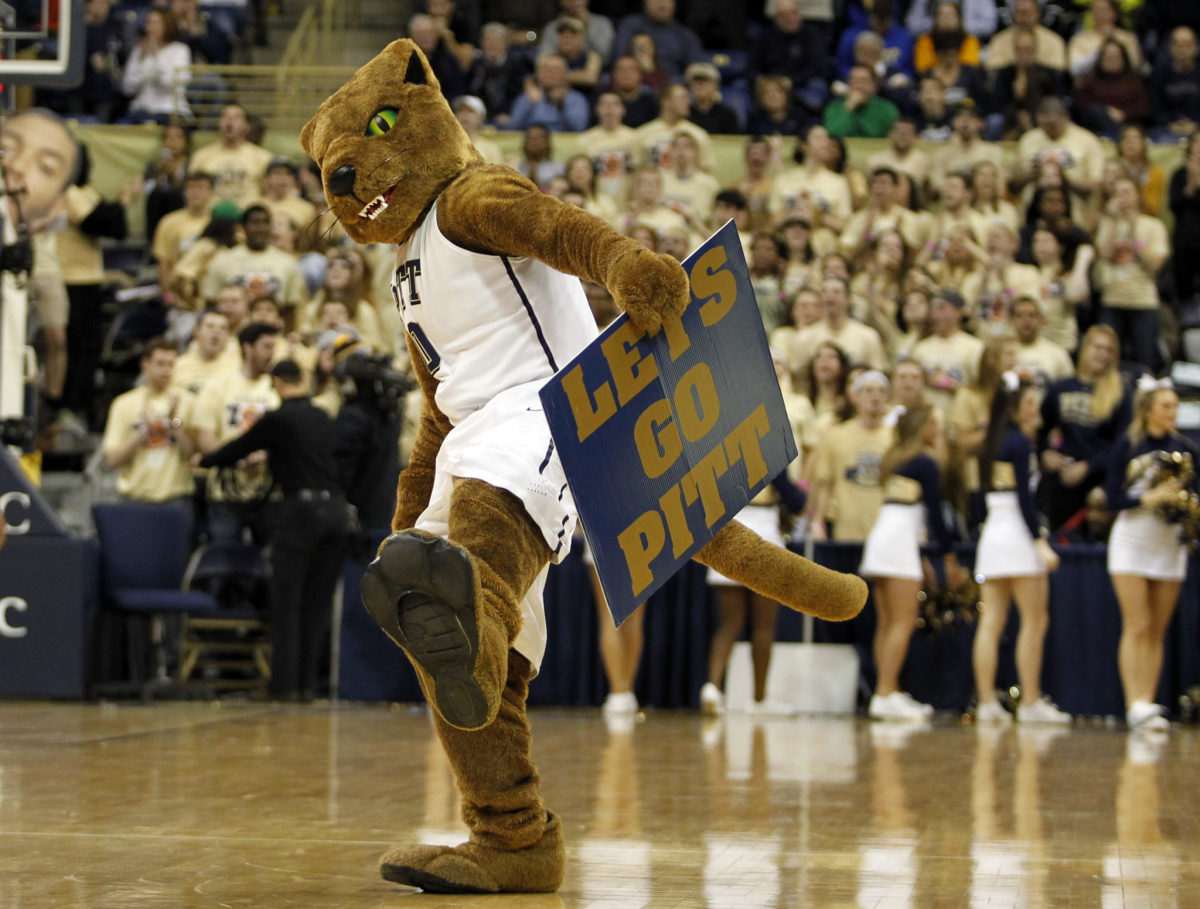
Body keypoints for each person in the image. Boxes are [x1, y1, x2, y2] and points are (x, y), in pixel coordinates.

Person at [198, 358, 349, 701]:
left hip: (300, 513)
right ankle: (309, 685)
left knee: (288, 601)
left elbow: (237, 449)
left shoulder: (278, 419)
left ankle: (284, 686)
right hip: (337, 512)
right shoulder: (324, 418)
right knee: (317, 603)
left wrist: (204, 461)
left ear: (278, 383)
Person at [972, 374, 1071, 725]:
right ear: (1015, 409)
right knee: (1034, 620)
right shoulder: (1020, 443)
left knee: (991, 621)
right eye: (1030, 403)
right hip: (1017, 531)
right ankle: (1029, 702)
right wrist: (1040, 542)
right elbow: (1025, 500)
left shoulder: (990, 442)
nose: (1036, 408)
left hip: (992, 533)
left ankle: (986, 704)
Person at [1105, 380, 1199, 733]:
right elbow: (1112, 499)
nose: (1172, 413)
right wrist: (1149, 498)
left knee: (1157, 630)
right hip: (1132, 541)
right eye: (1165, 406)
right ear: (1147, 410)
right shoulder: (1128, 446)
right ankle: (1134, 704)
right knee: (1138, 625)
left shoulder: (1187, 449)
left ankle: (1148, 700)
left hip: (1169, 545)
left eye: (1175, 406)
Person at [860, 402, 962, 719]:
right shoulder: (925, 463)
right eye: (932, 422)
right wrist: (948, 555)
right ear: (921, 428)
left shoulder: (897, 460)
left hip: (882, 541)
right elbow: (934, 515)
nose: (937, 428)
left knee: (887, 623)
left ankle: (886, 691)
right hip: (898, 544)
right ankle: (886, 693)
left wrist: (922, 558)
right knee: (903, 622)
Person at [700, 472, 808, 717]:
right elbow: (797, 503)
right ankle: (758, 700)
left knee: (729, 624)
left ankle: (713, 688)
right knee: (763, 627)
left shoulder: (721, 454)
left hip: (728, 530)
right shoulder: (769, 458)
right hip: (764, 533)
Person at [189, 321, 281, 544]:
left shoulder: (277, 386)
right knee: (224, 559)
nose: (271, 354)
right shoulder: (218, 385)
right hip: (225, 493)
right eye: (266, 347)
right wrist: (236, 458)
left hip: (268, 493)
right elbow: (204, 435)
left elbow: (287, 434)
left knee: (271, 565)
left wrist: (265, 455)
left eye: (273, 347)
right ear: (248, 348)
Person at [1039, 324, 1131, 534]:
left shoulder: (1120, 393)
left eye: (1109, 350)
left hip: (1100, 482)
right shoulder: (1060, 388)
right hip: (1064, 480)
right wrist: (1046, 452)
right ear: (1085, 348)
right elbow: (1040, 430)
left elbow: (1123, 444)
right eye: (1097, 347)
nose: (1102, 354)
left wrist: (1088, 467)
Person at [102, 337, 196, 511]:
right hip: (135, 497)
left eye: (171, 364)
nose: (166, 370)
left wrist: (175, 422)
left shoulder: (187, 401)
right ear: (145, 364)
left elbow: (193, 455)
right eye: (160, 364)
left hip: (176, 497)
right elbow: (112, 460)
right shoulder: (124, 403)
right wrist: (143, 431)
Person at [1094, 175, 1170, 370]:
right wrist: (1112, 222)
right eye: (1118, 193)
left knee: (1145, 361)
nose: (1123, 198)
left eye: (1127, 192)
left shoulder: (1153, 225)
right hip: (1112, 300)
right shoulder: (1107, 224)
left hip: (1143, 301)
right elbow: (1103, 254)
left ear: (1137, 195)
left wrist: (1133, 228)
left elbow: (1155, 265)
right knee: (1106, 362)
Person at [808, 369, 893, 542]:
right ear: (856, 396)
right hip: (845, 530)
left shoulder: (896, 439)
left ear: (888, 398)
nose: (875, 397)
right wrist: (817, 522)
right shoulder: (836, 436)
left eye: (881, 391)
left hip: (884, 531)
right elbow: (824, 483)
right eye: (868, 391)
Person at [200, 204, 309, 317]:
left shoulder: (287, 262)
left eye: (265, 223)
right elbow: (211, 302)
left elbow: (291, 307)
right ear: (243, 227)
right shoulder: (223, 260)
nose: (260, 228)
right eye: (255, 223)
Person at [188, 103, 273, 210]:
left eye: (236, 117)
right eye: (225, 117)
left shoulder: (263, 157)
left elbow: (269, 194)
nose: (229, 121)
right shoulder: (201, 156)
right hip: (211, 219)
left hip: (248, 219)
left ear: (247, 125)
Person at [120, 8, 192, 121]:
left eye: (155, 23)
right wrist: (142, 68)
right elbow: (127, 88)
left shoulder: (180, 50)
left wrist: (156, 56)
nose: (150, 27)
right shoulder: (139, 51)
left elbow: (172, 82)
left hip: (170, 111)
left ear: (167, 25)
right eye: (148, 22)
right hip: (141, 111)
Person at [823, 64, 900, 138]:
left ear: (874, 85)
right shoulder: (834, 108)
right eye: (853, 80)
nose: (857, 85)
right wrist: (849, 106)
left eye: (863, 80)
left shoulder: (887, 109)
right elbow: (833, 135)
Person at [1169, 133, 1200, 306]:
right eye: (1196, 142)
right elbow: (1174, 206)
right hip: (1185, 241)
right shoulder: (1179, 175)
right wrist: (1192, 183)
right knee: (1184, 292)